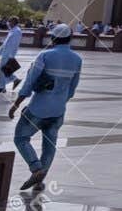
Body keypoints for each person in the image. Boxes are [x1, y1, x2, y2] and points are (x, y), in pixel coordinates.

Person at [8, 25, 83, 192]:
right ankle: (40, 178)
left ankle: (36, 169)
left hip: (38, 108)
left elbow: (29, 82)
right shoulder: (77, 59)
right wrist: (61, 100)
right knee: (49, 145)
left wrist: (16, 104)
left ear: (53, 39)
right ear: (70, 38)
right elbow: (72, 88)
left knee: (21, 138)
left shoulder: (45, 56)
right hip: (58, 110)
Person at [0, 23, 23, 95]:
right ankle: (15, 80)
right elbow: (5, 43)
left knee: (2, 70)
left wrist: (11, 55)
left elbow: (15, 44)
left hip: (9, 54)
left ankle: (1, 87)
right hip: (5, 53)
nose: (8, 23)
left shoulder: (17, 31)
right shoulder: (12, 30)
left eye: (10, 22)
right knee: (3, 69)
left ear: (14, 21)